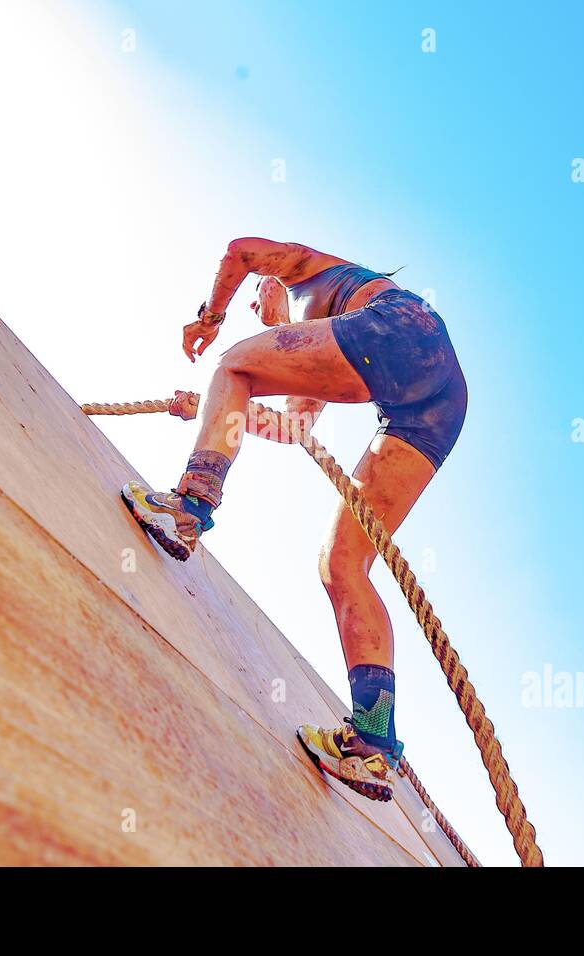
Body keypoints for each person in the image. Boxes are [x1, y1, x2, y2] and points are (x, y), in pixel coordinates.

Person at [121, 238, 467, 801]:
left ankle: (188, 507)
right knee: (342, 564)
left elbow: (239, 250)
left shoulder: (308, 275)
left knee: (234, 360)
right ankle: (372, 745)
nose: (260, 315)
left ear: (270, 286)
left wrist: (208, 319)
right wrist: (207, 407)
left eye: (259, 304)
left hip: (402, 331)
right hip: (438, 397)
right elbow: (291, 430)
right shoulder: (329, 341)